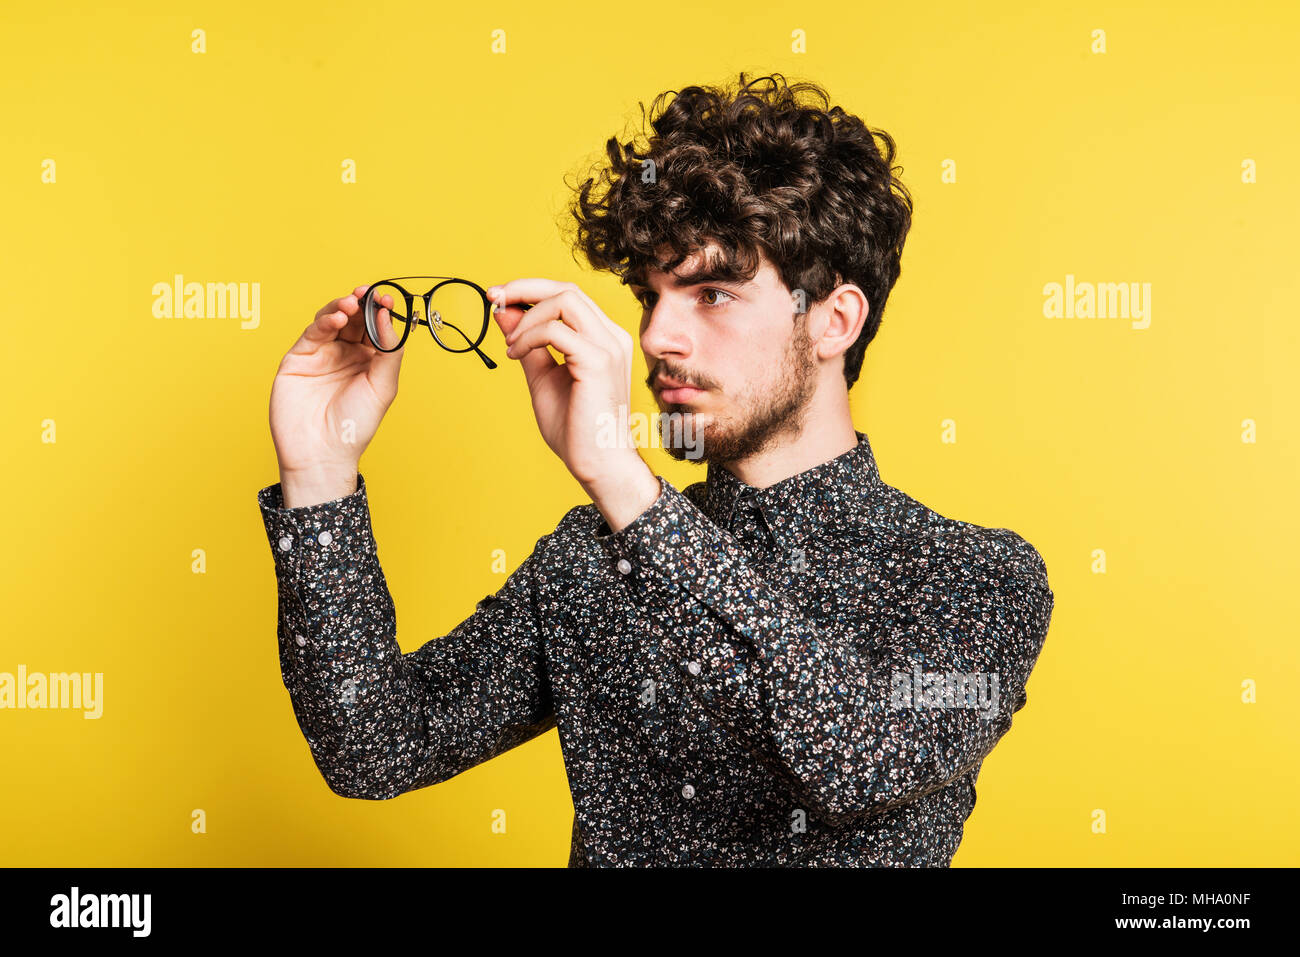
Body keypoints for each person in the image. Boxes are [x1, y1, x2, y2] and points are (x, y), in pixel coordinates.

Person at [258, 72, 1054, 866]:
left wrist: (624, 484)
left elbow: (860, 756)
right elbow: (376, 746)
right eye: (649, 295)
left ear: (834, 320)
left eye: (711, 293)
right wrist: (319, 473)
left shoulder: (975, 577)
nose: (656, 338)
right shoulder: (592, 558)